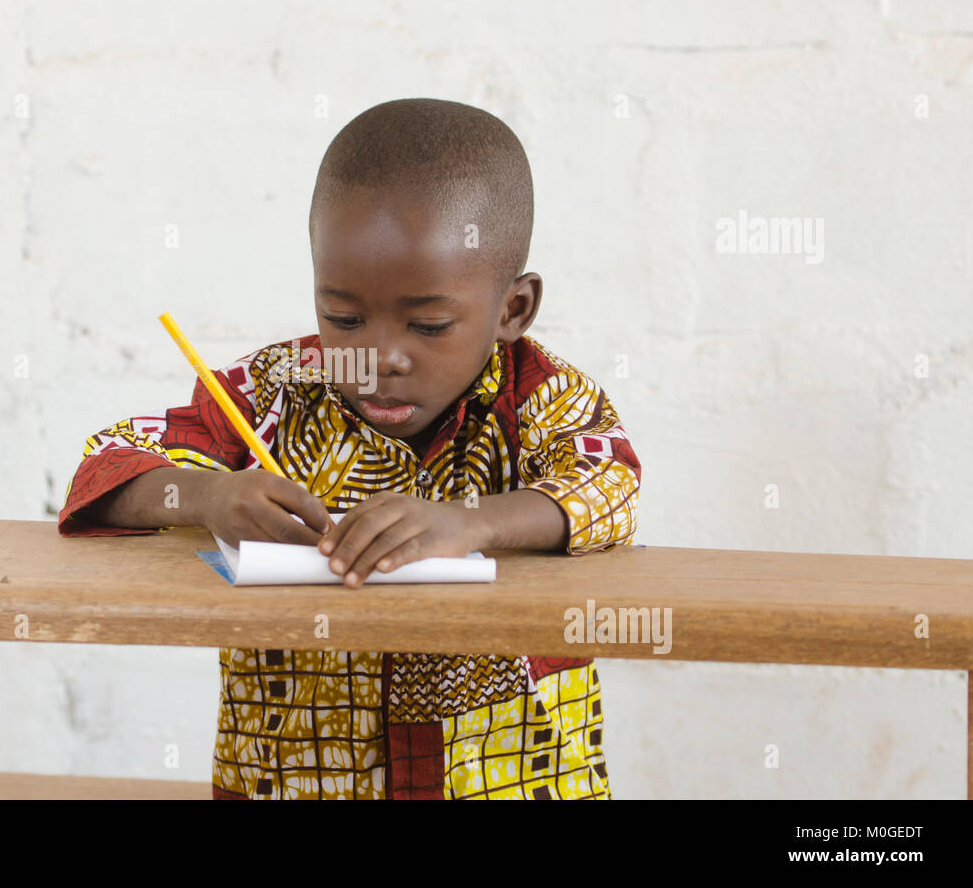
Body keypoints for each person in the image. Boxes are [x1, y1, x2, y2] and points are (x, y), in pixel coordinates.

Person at [58, 97, 642, 799]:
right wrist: (211, 493)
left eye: (427, 325)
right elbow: (107, 463)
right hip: (299, 777)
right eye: (343, 317)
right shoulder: (275, 389)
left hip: (508, 779)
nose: (377, 356)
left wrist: (474, 521)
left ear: (512, 309)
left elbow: (611, 484)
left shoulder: (542, 396)